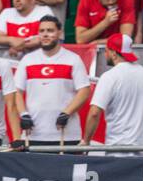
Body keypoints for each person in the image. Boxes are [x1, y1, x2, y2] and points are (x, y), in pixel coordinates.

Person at [12, 15, 92, 146]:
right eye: (42, 31)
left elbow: (84, 90)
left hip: (67, 134)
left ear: (60, 33)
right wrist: (23, 114)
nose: (45, 34)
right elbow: (16, 91)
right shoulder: (28, 60)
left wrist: (66, 113)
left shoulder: (73, 59)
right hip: (34, 134)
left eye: (50, 30)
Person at [83, 33, 143, 147]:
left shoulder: (109, 77)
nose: (105, 54)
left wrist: (86, 141)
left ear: (113, 53)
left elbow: (94, 113)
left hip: (118, 149)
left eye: (106, 51)